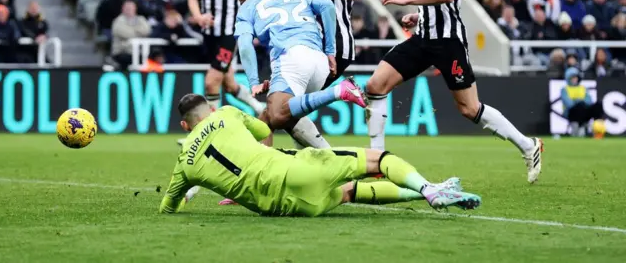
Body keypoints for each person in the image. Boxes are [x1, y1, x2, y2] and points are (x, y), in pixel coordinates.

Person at [365, 0, 543, 184]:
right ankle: (376, 162)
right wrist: (418, 16)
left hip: (448, 42)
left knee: (469, 109)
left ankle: (528, 145)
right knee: (375, 85)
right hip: (423, 37)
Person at [159, 94, 482, 216]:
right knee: (377, 160)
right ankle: (428, 190)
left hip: (280, 208)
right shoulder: (227, 112)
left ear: (185, 125)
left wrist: (182, 194)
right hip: (292, 171)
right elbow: (262, 133)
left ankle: (428, 192)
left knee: (348, 193)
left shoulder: (183, 162)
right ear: (211, 109)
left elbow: (168, 206)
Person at [232, 0, 366, 148]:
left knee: (277, 114)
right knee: (267, 119)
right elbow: (327, 6)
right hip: (318, 62)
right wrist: (330, 51)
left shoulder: (246, 8)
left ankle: (340, 91)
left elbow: (244, 46)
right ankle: (328, 158)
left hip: (292, 59)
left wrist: (253, 82)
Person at [186, 0, 264, 115]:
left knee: (211, 82)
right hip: (210, 35)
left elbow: (253, 2)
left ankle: (215, 130)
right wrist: (198, 17)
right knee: (229, 84)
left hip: (231, 34)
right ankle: (260, 109)